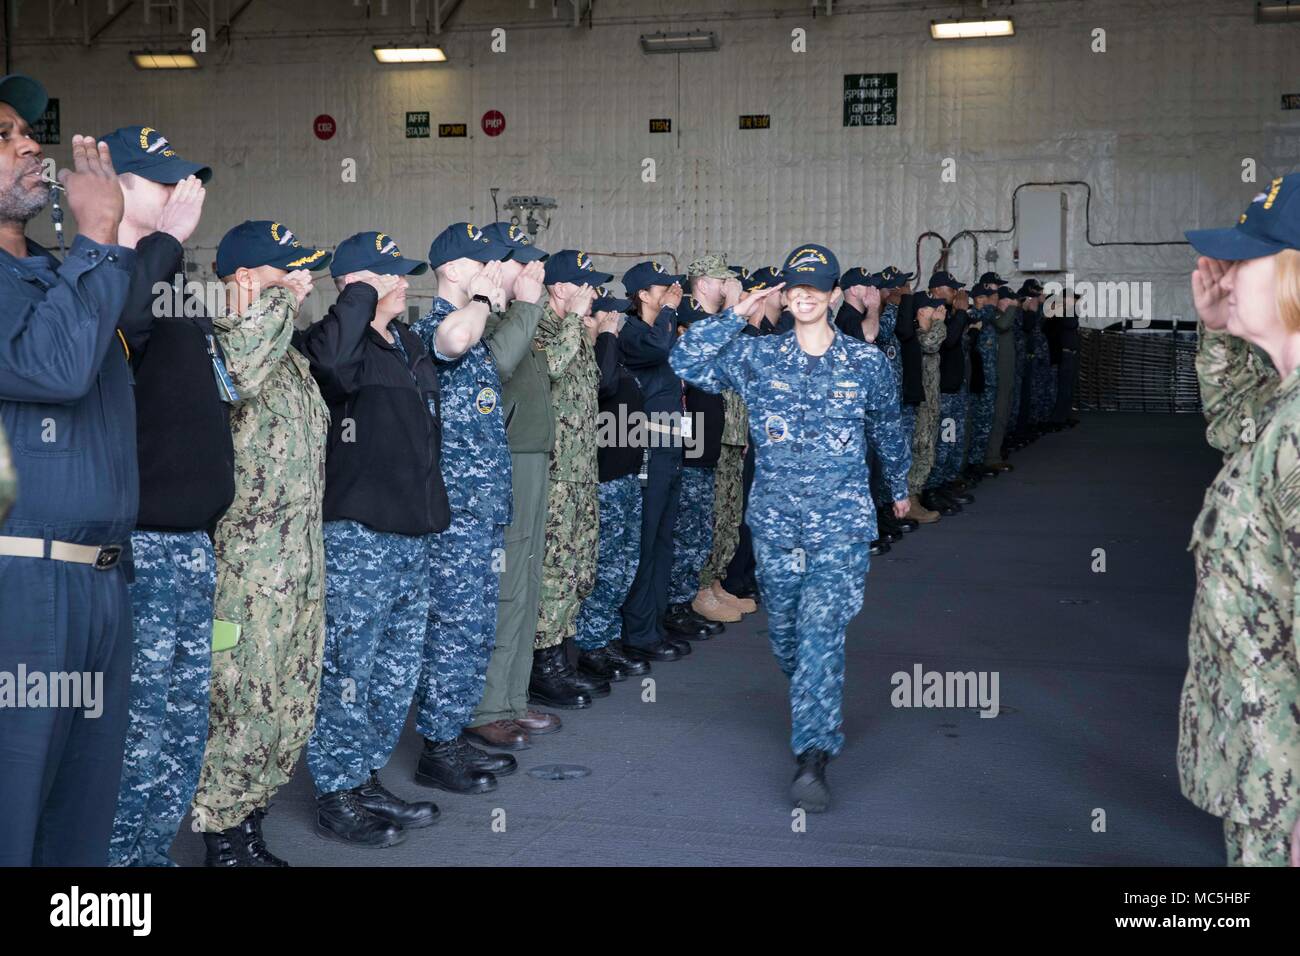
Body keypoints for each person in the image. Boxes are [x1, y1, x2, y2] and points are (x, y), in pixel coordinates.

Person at [671, 243, 910, 811]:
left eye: (815, 287)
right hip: (777, 524)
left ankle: (812, 755)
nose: (804, 296)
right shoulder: (760, 356)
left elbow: (887, 425)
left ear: (833, 295)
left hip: (841, 525)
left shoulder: (866, 363)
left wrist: (899, 486)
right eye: (794, 287)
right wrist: (735, 313)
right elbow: (686, 362)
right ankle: (815, 699)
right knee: (787, 638)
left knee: (820, 631)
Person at [0, 78, 137, 867]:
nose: (30, 145)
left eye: (27, 131)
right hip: (25, 586)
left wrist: (108, 244)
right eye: (4, 135)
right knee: (14, 812)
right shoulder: (75, 263)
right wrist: (99, 235)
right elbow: (54, 371)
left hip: (97, 582)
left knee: (79, 823)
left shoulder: (56, 273)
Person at [102, 126, 227, 868]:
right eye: (162, 180)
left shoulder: (171, 281)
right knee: (135, 733)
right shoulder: (107, 274)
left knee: (180, 732)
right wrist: (168, 240)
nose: (184, 193)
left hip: (190, 545)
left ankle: (150, 860)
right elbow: (117, 326)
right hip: (140, 547)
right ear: (116, 188)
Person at [190, 220, 332, 867]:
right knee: (241, 705)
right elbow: (240, 373)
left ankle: (251, 823)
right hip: (245, 572)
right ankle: (223, 840)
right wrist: (277, 303)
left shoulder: (289, 356)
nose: (301, 282)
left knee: (289, 703)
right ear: (245, 278)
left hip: (298, 565)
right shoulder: (220, 342)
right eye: (287, 271)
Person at [296, 232, 445, 847]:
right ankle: (336, 793)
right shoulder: (334, 344)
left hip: (412, 530)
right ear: (355, 284)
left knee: (393, 667)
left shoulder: (406, 342)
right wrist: (356, 295)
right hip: (359, 534)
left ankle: (364, 776)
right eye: (389, 275)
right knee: (348, 669)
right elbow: (329, 367)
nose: (403, 282)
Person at [1179, 173, 1300, 867]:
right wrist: (1219, 328)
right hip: (1261, 765)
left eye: (1246, 259)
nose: (1225, 273)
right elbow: (1231, 427)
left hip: (1285, 787)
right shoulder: (1284, 405)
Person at [409, 222, 533, 789]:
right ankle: (437, 748)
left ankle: (452, 732)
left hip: (482, 513)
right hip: (454, 514)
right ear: (456, 270)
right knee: (453, 626)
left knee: (475, 626)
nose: (495, 272)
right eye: (484, 263)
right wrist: (482, 299)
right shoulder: (436, 328)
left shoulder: (478, 332)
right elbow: (452, 341)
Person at [466, 221, 565, 749]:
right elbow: (496, 366)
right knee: (503, 584)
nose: (531, 271)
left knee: (525, 579)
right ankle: (487, 706)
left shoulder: (514, 313)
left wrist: (527, 307)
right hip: (503, 460)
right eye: (519, 261)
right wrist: (526, 305)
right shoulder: (476, 315)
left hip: (530, 455)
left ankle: (511, 697)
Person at [529, 250, 608, 703]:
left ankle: (561, 655)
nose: (593, 293)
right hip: (555, 475)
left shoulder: (575, 331)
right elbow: (546, 373)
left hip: (581, 472)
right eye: (585, 285)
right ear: (560, 289)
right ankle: (543, 666)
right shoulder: (539, 330)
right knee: (553, 569)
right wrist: (576, 323)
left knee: (578, 567)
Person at [618, 260, 694, 663]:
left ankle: (655, 624)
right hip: (645, 442)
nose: (671, 294)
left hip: (672, 441)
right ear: (643, 295)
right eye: (662, 289)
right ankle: (638, 632)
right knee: (645, 540)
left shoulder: (667, 327)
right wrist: (669, 312)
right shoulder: (632, 333)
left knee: (665, 537)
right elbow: (657, 349)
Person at [573, 288, 649, 681]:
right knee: (601, 567)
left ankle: (606, 637)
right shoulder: (588, 358)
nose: (615, 322)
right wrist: (604, 335)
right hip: (601, 483)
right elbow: (600, 387)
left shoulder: (613, 355)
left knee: (622, 566)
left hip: (626, 479)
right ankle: (590, 645)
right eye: (607, 315)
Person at [909, 294, 952, 518]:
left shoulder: (929, 331)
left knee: (927, 448)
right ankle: (910, 500)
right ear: (920, 312)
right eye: (932, 308)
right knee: (920, 447)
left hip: (931, 400)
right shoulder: (917, 334)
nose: (938, 312)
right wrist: (939, 323)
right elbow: (930, 343)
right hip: (920, 403)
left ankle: (918, 495)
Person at [985, 285, 1018, 471]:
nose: (1010, 303)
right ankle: (991, 457)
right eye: (1007, 300)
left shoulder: (1005, 316)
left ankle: (995, 452)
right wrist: (1012, 307)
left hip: (1006, 376)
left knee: (1004, 414)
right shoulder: (995, 316)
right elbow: (1003, 325)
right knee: (997, 415)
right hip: (997, 377)